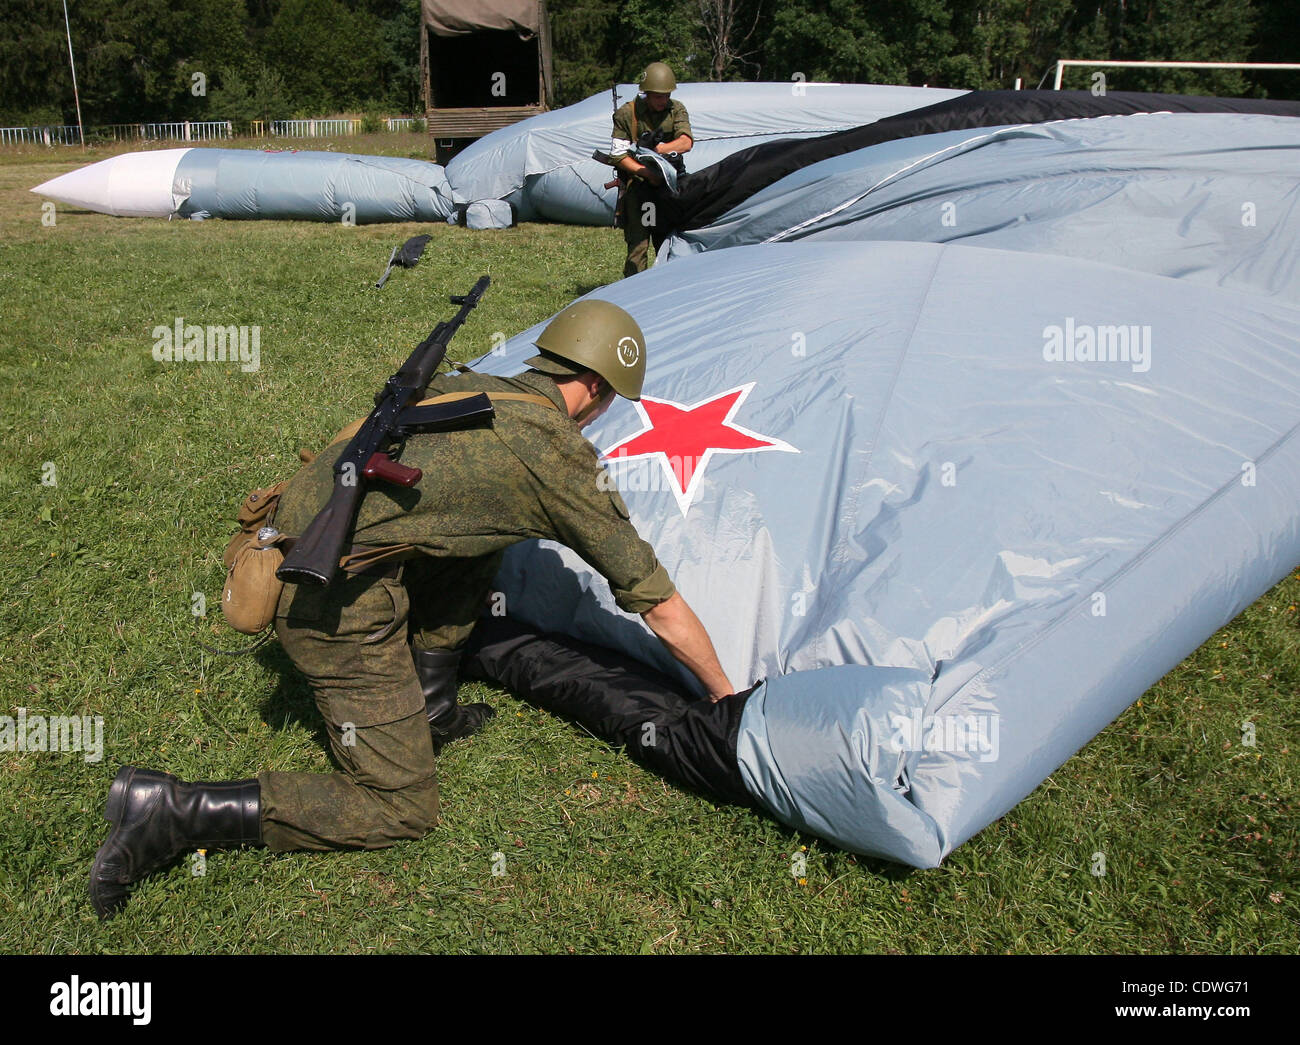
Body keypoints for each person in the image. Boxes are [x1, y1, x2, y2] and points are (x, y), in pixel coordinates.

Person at [89, 299, 735, 918]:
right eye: (610, 400)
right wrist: (725, 698)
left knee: (487, 532)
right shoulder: (555, 456)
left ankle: (430, 705)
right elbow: (659, 602)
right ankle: (174, 811)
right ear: (593, 385)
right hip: (326, 596)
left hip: (300, 539)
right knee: (400, 806)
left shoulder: (479, 385)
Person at [610, 62, 693, 277]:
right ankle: (634, 291)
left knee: (668, 240)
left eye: (666, 96)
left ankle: (668, 285)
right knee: (638, 244)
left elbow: (686, 142)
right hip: (639, 187)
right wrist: (647, 173)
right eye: (658, 96)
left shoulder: (676, 109)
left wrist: (660, 149)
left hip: (668, 186)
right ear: (646, 93)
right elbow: (618, 155)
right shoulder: (627, 114)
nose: (663, 101)